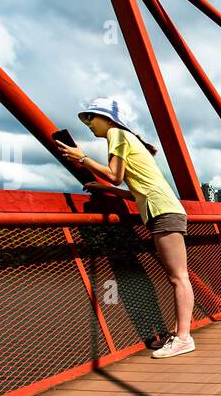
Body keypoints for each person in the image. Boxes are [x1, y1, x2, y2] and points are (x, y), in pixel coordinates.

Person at [55, 98, 195, 359]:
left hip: (162, 210)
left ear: (108, 119)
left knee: (178, 277)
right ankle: (180, 335)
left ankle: (184, 338)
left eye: (91, 118)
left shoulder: (116, 134)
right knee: (178, 277)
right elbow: (135, 191)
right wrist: (105, 190)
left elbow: (115, 174)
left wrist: (81, 157)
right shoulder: (126, 138)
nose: (88, 124)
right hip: (162, 207)